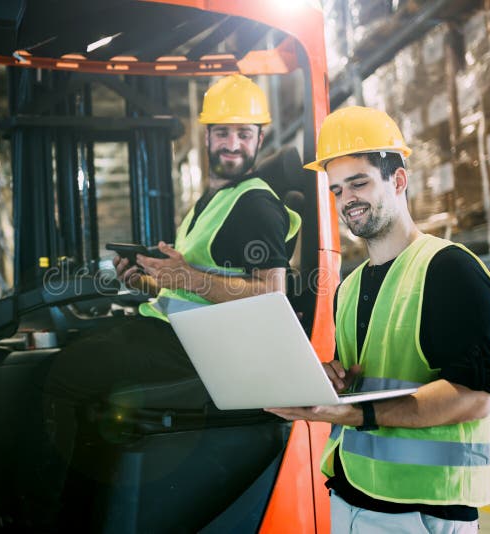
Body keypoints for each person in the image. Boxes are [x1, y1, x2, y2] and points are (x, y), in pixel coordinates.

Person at [42, 74, 301, 490]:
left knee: (67, 373)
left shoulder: (256, 204)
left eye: (243, 134)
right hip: (176, 331)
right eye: (223, 133)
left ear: (260, 138)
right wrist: (145, 282)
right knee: (76, 356)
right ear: (207, 136)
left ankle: (63, 505)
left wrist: (185, 275)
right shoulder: (209, 203)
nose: (232, 144)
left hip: (203, 349)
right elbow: (185, 290)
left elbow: (272, 294)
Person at [267, 106, 490, 533]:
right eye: (337, 189)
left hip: (424, 512)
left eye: (359, 183)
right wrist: (331, 382)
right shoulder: (349, 287)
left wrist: (352, 414)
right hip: (350, 496)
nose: (347, 200)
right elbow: (368, 378)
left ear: (398, 180)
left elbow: (474, 396)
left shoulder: (450, 269)